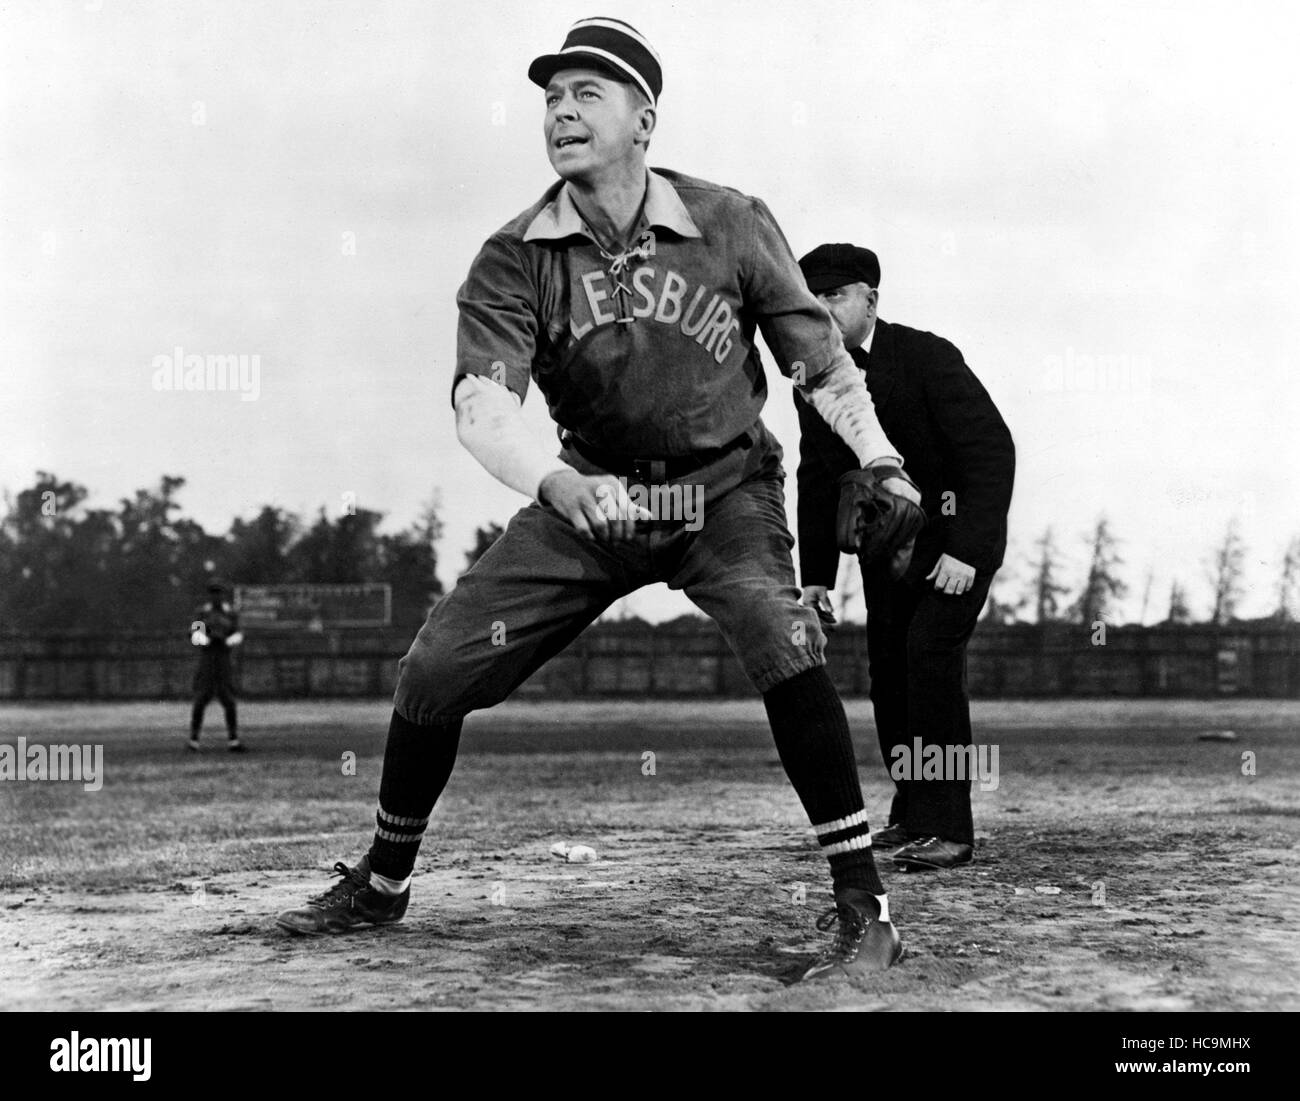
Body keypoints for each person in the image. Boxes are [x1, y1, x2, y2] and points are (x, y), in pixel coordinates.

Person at [276, 18, 922, 980]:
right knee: (434, 668)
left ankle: (862, 901)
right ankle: (384, 880)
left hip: (724, 491)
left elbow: (819, 362)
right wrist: (560, 482)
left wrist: (882, 459)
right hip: (593, 498)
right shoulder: (516, 255)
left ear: (644, 117)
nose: (562, 112)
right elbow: (484, 402)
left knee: (780, 636)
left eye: (588, 93)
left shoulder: (730, 221)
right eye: (551, 97)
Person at [794, 243, 1015, 871]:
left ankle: (950, 828)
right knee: (889, 674)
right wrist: (815, 580)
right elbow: (818, 477)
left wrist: (969, 552)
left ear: (871, 299)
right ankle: (914, 811)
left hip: (956, 544)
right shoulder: (813, 380)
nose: (823, 310)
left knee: (930, 659)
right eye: (812, 299)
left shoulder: (926, 356)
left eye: (835, 296)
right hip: (889, 553)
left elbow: (992, 454)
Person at [188, 580, 245, 752]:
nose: (216, 596)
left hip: (224, 658)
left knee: (228, 699)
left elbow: (239, 634)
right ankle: (194, 740)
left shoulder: (230, 614)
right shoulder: (202, 613)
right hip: (207, 658)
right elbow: (194, 633)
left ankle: (233, 740)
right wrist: (208, 640)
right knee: (201, 699)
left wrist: (226, 641)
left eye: (218, 593)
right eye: (213, 593)